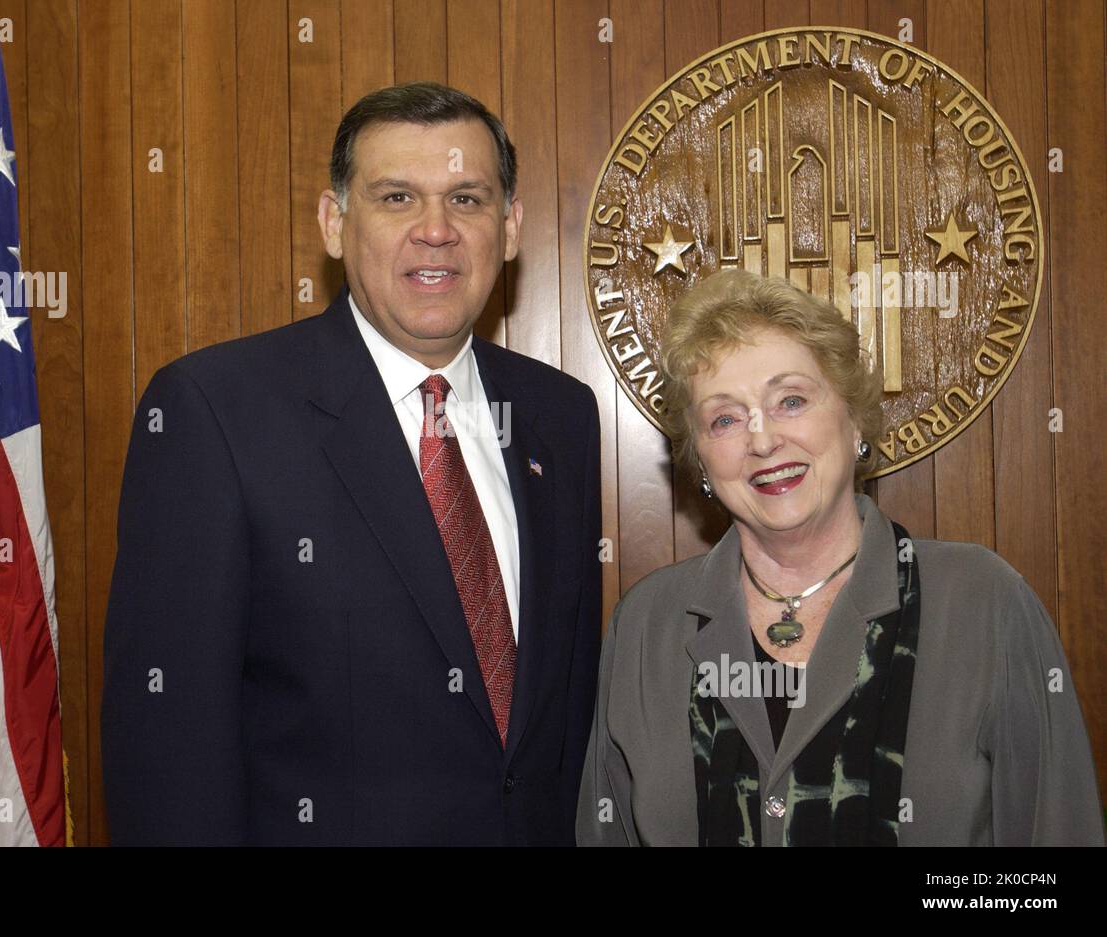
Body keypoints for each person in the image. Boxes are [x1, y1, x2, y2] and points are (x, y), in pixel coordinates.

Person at [102, 82, 602, 845]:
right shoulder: (214, 412)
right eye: (397, 197)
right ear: (335, 223)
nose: (436, 231)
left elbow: (564, 726)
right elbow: (169, 749)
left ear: (509, 228)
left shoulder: (560, 417)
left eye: (467, 200)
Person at [576, 268, 1103, 846]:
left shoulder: (983, 602)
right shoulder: (647, 624)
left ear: (853, 418)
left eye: (791, 400)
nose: (762, 440)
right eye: (724, 418)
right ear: (700, 461)